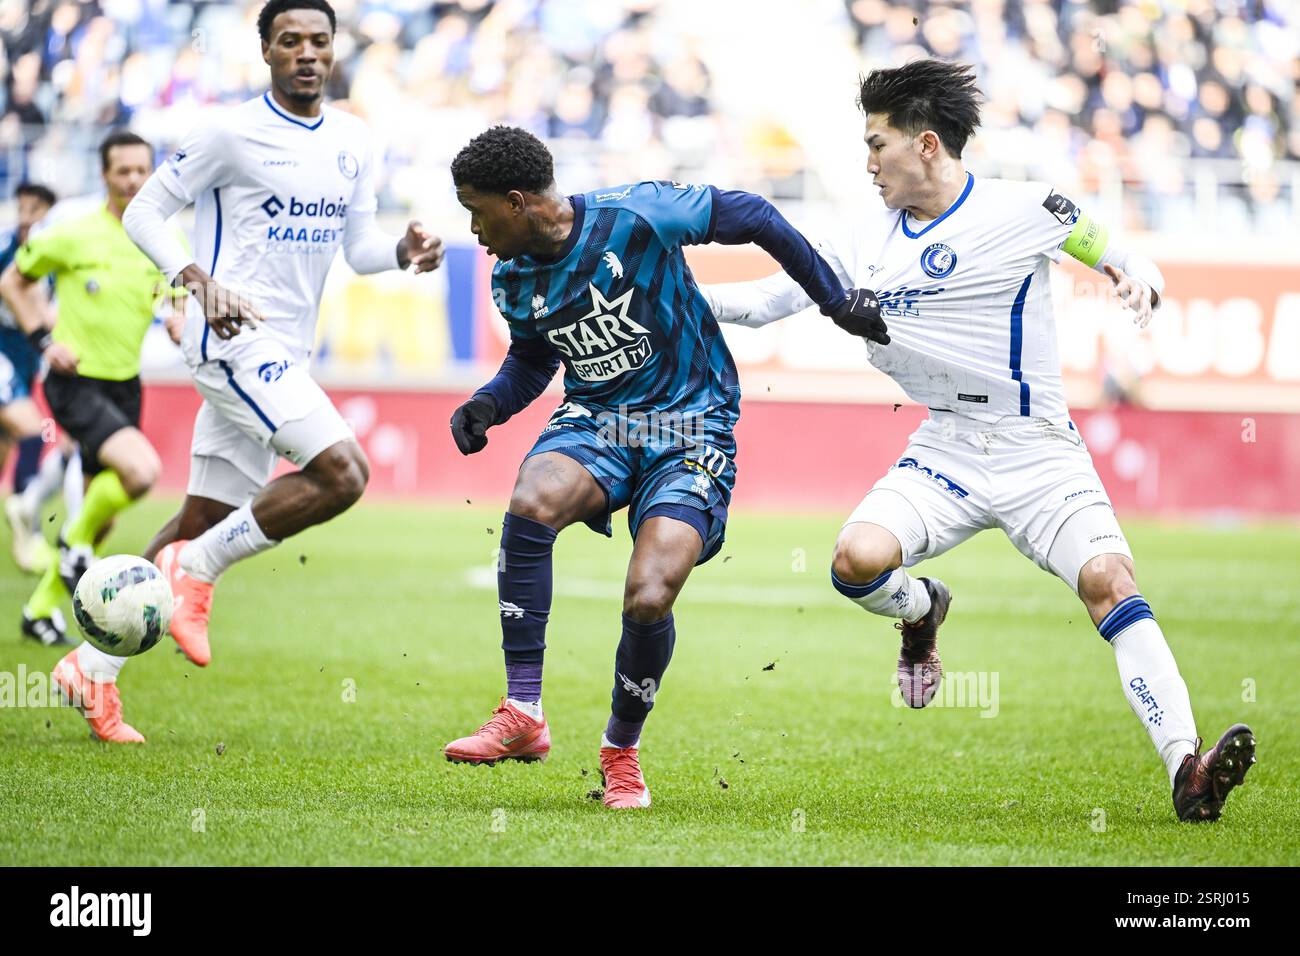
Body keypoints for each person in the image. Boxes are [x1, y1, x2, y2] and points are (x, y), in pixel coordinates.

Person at [701, 59, 1254, 823]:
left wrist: (1139, 281)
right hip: (947, 448)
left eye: (877, 145)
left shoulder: (1030, 209)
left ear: (926, 145)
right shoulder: (859, 239)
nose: (867, 164)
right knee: (853, 563)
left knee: (1110, 583)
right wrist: (676, 296)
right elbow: (765, 303)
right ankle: (921, 612)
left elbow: (1124, 254)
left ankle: (1187, 769)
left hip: (1038, 451)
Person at [441, 125, 883, 809]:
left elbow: (756, 216)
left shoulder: (638, 213)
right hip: (599, 422)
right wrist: (489, 405)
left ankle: (621, 751)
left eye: (477, 210)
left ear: (518, 200)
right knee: (532, 499)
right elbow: (535, 358)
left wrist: (833, 299)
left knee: (650, 592)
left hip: (692, 423)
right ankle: (523, 711)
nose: (473, 229)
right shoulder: (513, 274)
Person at [118, 0, 442, 717]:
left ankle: (92, 666)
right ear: (264, 50)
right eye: (289, 40)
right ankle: (197, 575)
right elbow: (143, 211)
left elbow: (358, 249)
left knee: (201, 515)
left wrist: (401, 252)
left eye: (318, 41)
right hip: (231, 340)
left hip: (286, 351)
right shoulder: (228, 133)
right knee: (343, 473)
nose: (306, 52)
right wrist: (196, 280)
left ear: (333, 50)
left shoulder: (356, 140)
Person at [0, 132, 174, 699]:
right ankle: (72, 551)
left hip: (126, 384)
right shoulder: (72, 233)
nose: (132, 180)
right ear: (104, 175)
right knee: (141, 471)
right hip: (74, 382)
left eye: (141, 169)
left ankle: (41, 606)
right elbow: (13, 281)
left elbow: (168, 297)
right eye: (122, 170)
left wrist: (176, 315)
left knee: (106, 514)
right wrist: (44, 339)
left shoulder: (157, 238)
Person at [0, 182, 65, 574]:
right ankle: (29, 523)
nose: (28, 214)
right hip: (1, 356)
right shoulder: (7, 250)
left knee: (7, 444)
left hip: (24, 365)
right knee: (35, 430)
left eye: (36, 207)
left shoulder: (54, 259)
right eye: (23, 206)